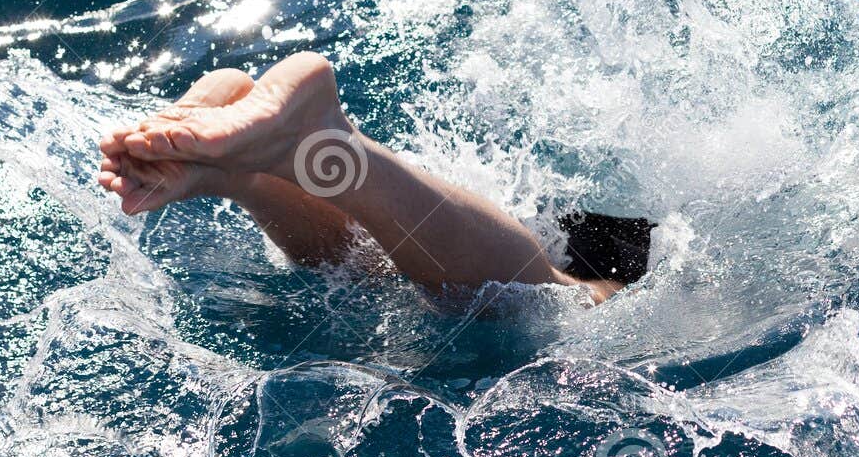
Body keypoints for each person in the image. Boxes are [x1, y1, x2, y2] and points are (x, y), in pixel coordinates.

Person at [96, 52, 650, 304]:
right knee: (557, 306)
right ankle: (327, 145)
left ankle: (246, 173)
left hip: (562, 228)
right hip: (626, 247)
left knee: (365, 269)